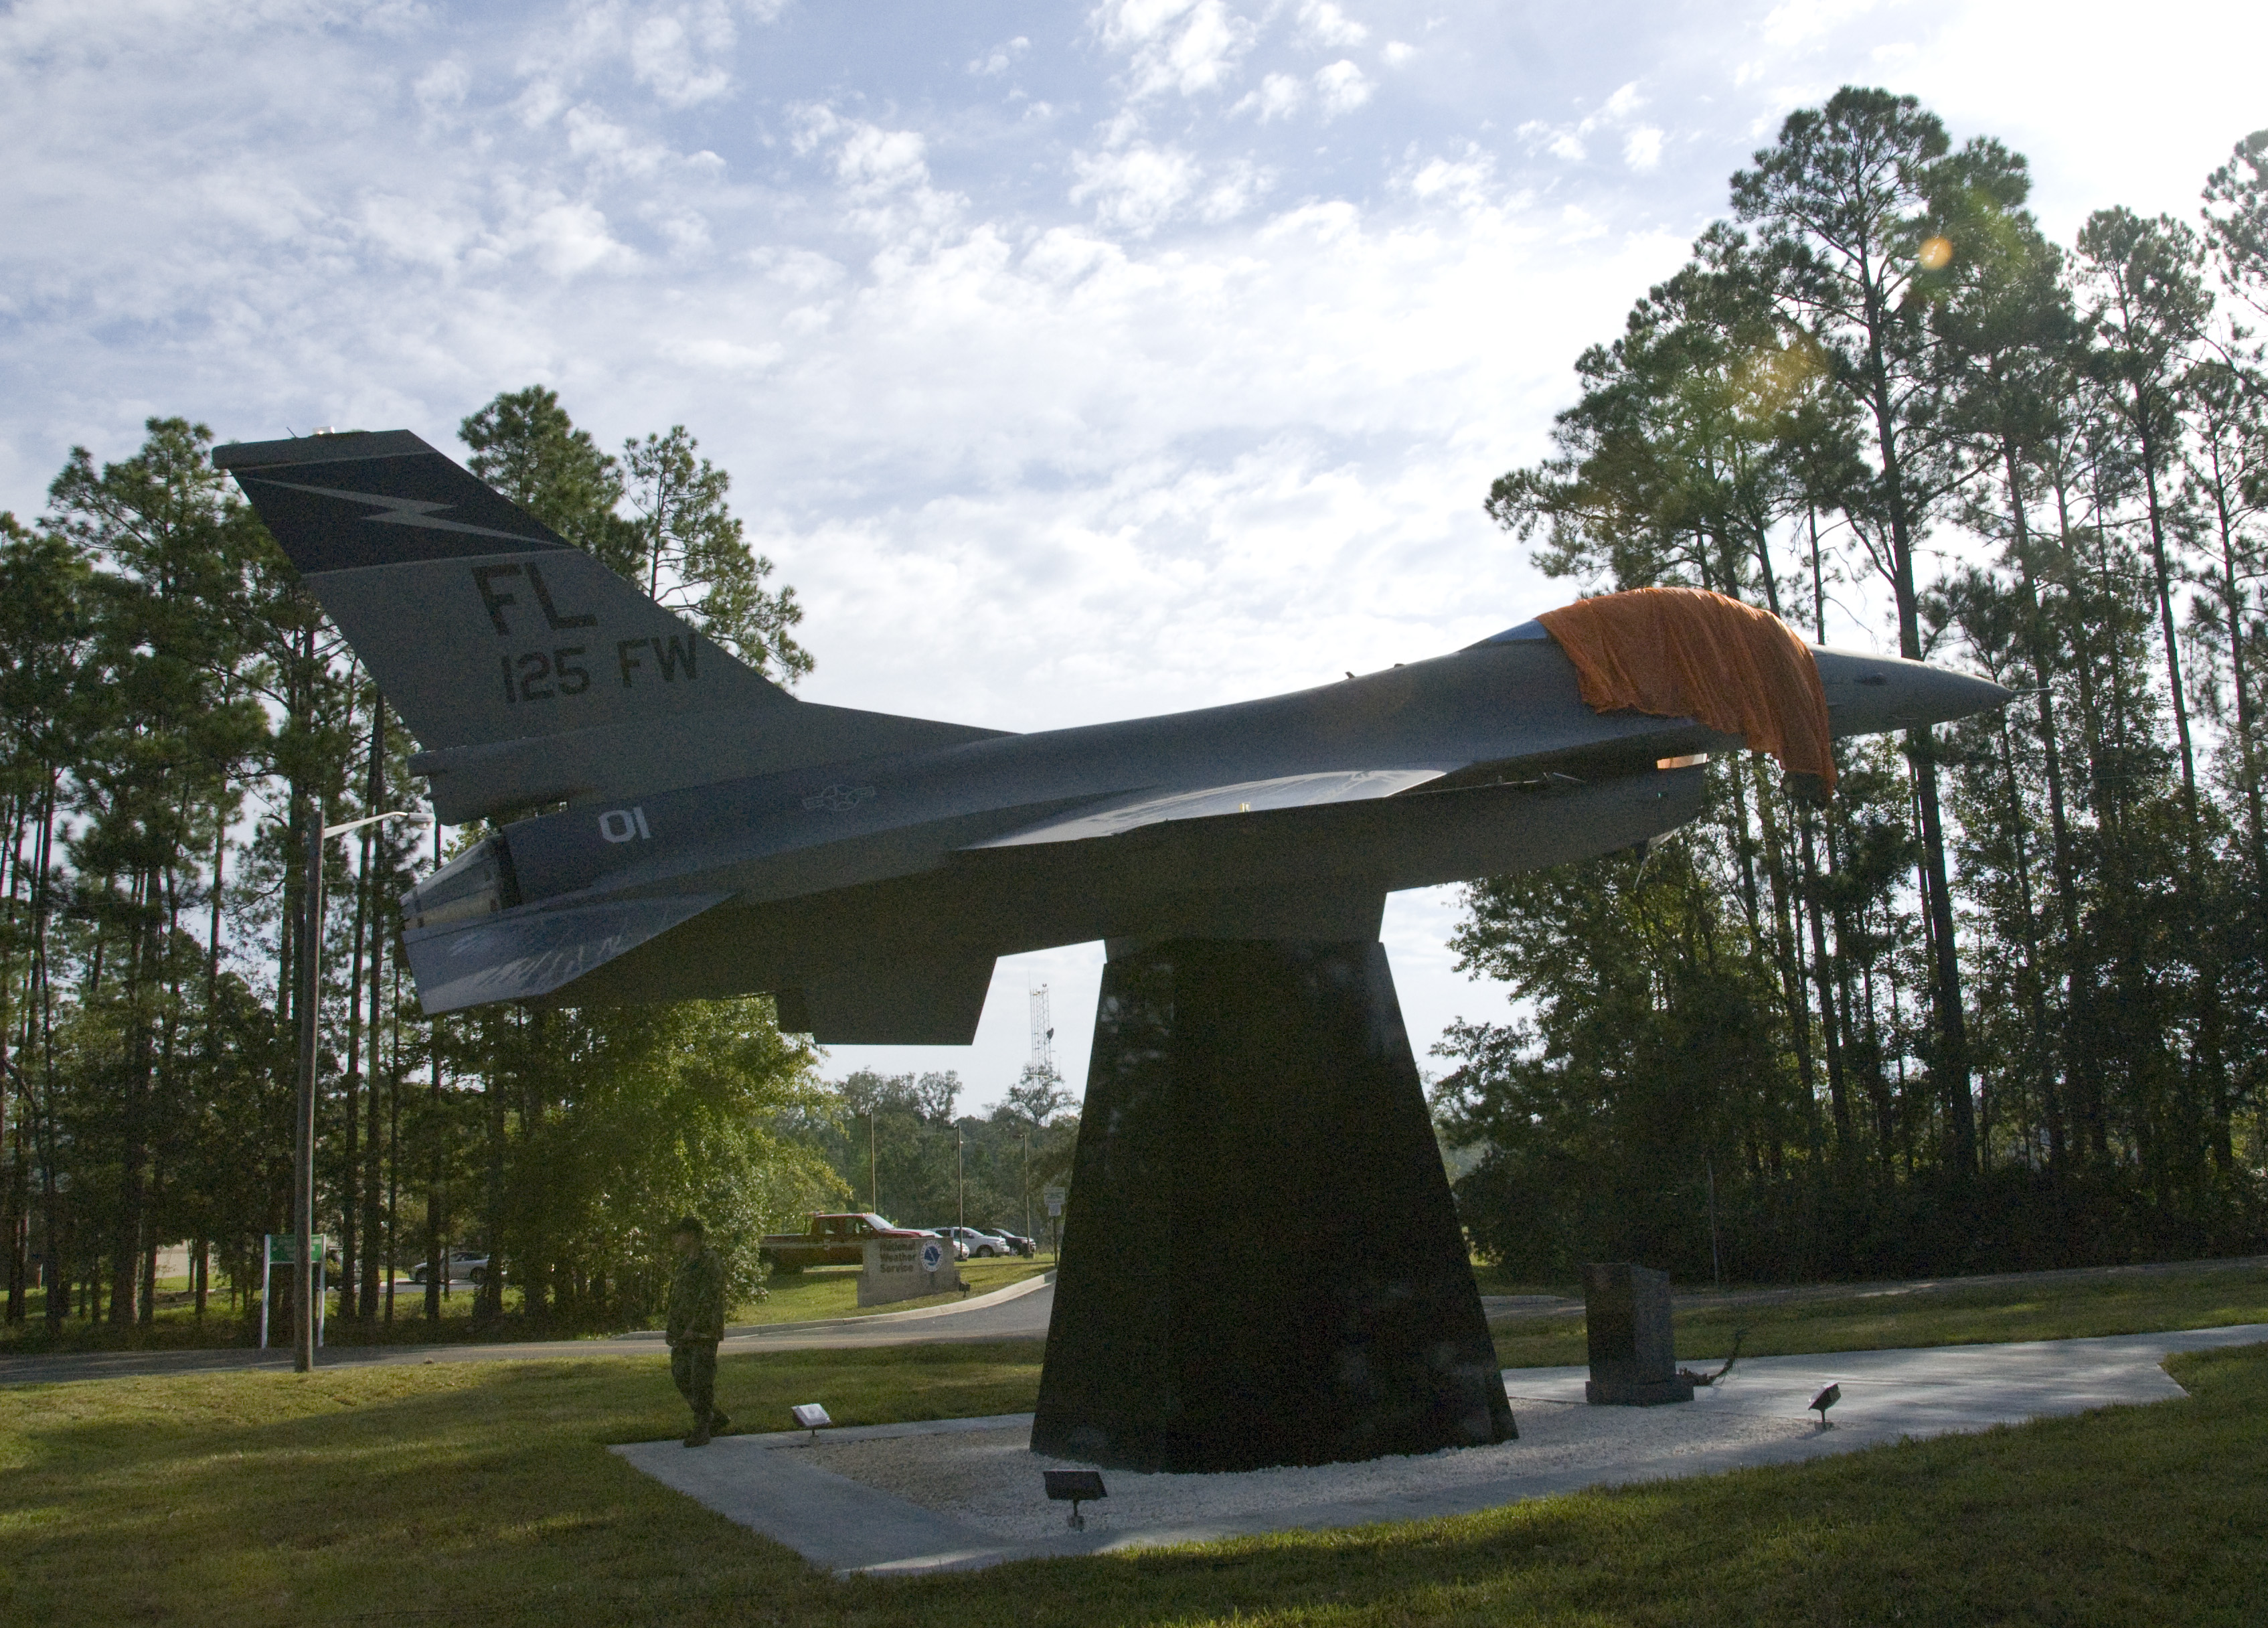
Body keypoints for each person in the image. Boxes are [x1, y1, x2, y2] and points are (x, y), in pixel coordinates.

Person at [665, 1216, 730, 1446]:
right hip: (684, 1332)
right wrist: (674, 1330)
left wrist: (694, 1327)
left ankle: (702, 1428)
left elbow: (709, 1296)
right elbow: (678, 1297)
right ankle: (715, 1416)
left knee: (700, 1378)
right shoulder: (685, 1262)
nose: (676, 1239)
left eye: (679, 1234)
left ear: (691, 1235)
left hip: (703, 1331)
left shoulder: (709, 1260)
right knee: (681, 1373)